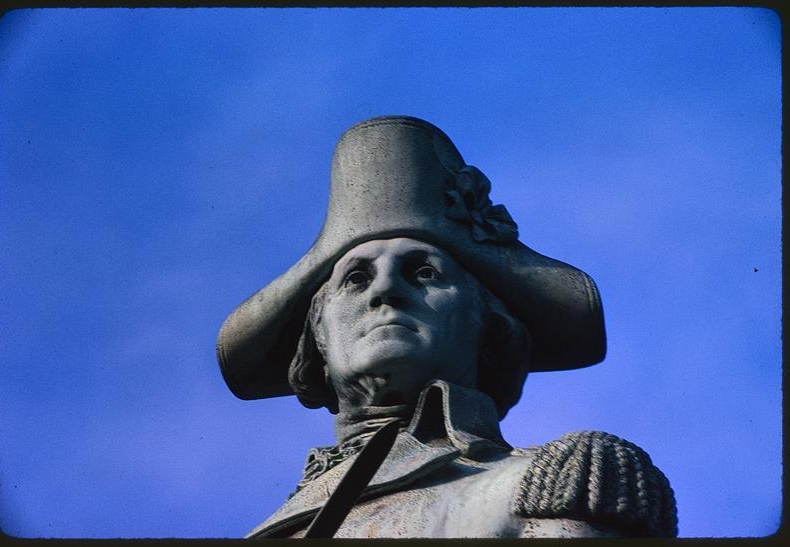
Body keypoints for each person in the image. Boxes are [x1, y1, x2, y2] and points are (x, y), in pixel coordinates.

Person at [216, 116, 677, 538]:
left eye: (424, 272)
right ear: (316, 338)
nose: (386, 291)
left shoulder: (558, 485)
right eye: (356, 277)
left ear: (488, 328)